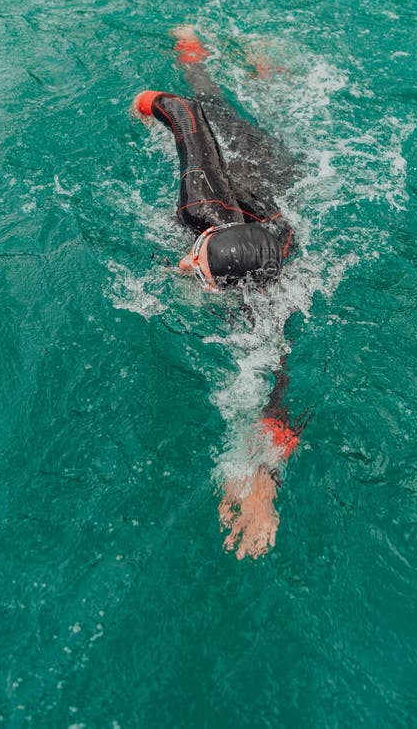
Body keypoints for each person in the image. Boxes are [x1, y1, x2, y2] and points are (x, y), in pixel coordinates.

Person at [133, 27, 303, 559]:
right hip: (241, 167)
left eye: (198, 271)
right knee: (206, 97)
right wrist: (144, 103)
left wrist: (259, 477)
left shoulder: (268, 293)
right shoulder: (199, 203)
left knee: (280, 130)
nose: (186, 262)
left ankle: (269, 71)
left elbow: (279, 386)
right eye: (198, 251)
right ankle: (195, 51)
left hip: (278, 182)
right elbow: (181, 114)